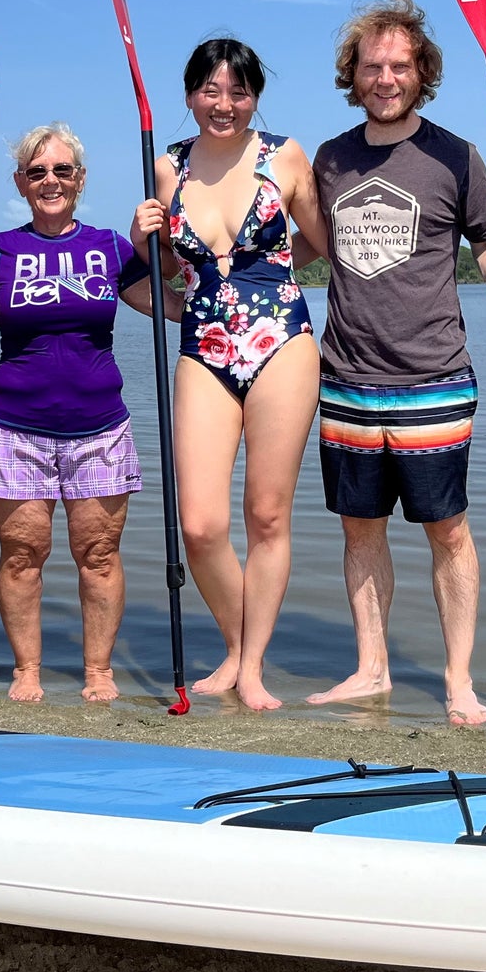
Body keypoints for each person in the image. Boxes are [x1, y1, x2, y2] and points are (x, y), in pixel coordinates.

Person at [298, 0, 486, 726]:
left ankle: (458, 678)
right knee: (359, 529)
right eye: (372, 66)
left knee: (449, 530)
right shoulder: (331, 159)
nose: (386, 78)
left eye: (399, 65)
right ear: (354, 73)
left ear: (421, 72)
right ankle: (371, 669)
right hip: (344, 377)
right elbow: (305, 245)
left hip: (433, 379)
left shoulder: (455, 155)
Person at [133, 39, 327, 712]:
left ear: (254, 97)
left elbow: (322, 243)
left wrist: (266, 276)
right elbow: (159, 274)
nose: (225, 105)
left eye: (238, 93)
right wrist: (141, 239)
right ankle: (238, 644)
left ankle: (250, 668)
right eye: (211, 92)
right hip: (203, 347)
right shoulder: (167, 168)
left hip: (283, 342)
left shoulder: (285, 157)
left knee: (266, 515)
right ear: (189, 95)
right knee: (202, 525)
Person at [0, 123, 174, 703]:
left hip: (99, 427)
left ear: (79, 179)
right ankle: (28, 670)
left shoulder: (108, 248)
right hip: (16, 428)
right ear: (21, 183)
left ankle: (98, 670)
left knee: (98, 554)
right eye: (37, 171)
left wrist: (160, 245)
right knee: (23, 553)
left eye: (62, 170)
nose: (50, 180)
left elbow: (167, 302)